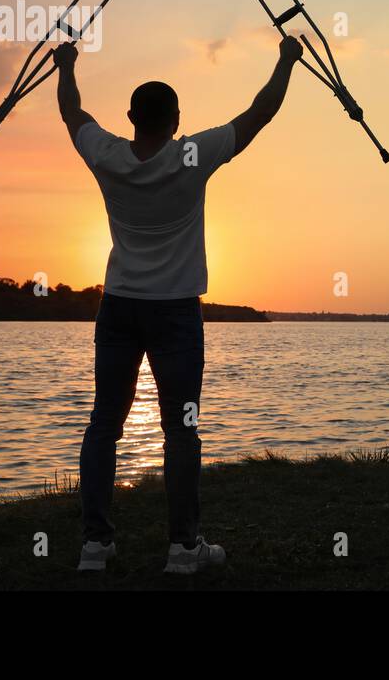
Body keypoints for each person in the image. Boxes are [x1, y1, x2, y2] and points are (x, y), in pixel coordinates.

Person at [53, 33, 303, 573]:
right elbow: (261, 112)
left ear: (130, 116)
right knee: (181, 427)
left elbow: (72, 112)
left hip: (118, 306)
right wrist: (286, 60)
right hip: (174, 314)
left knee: (104, 424)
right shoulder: (193, 154)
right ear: (176, 120)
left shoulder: (108, 154)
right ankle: (183, 549)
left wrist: (67, 63)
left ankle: (95, 545)